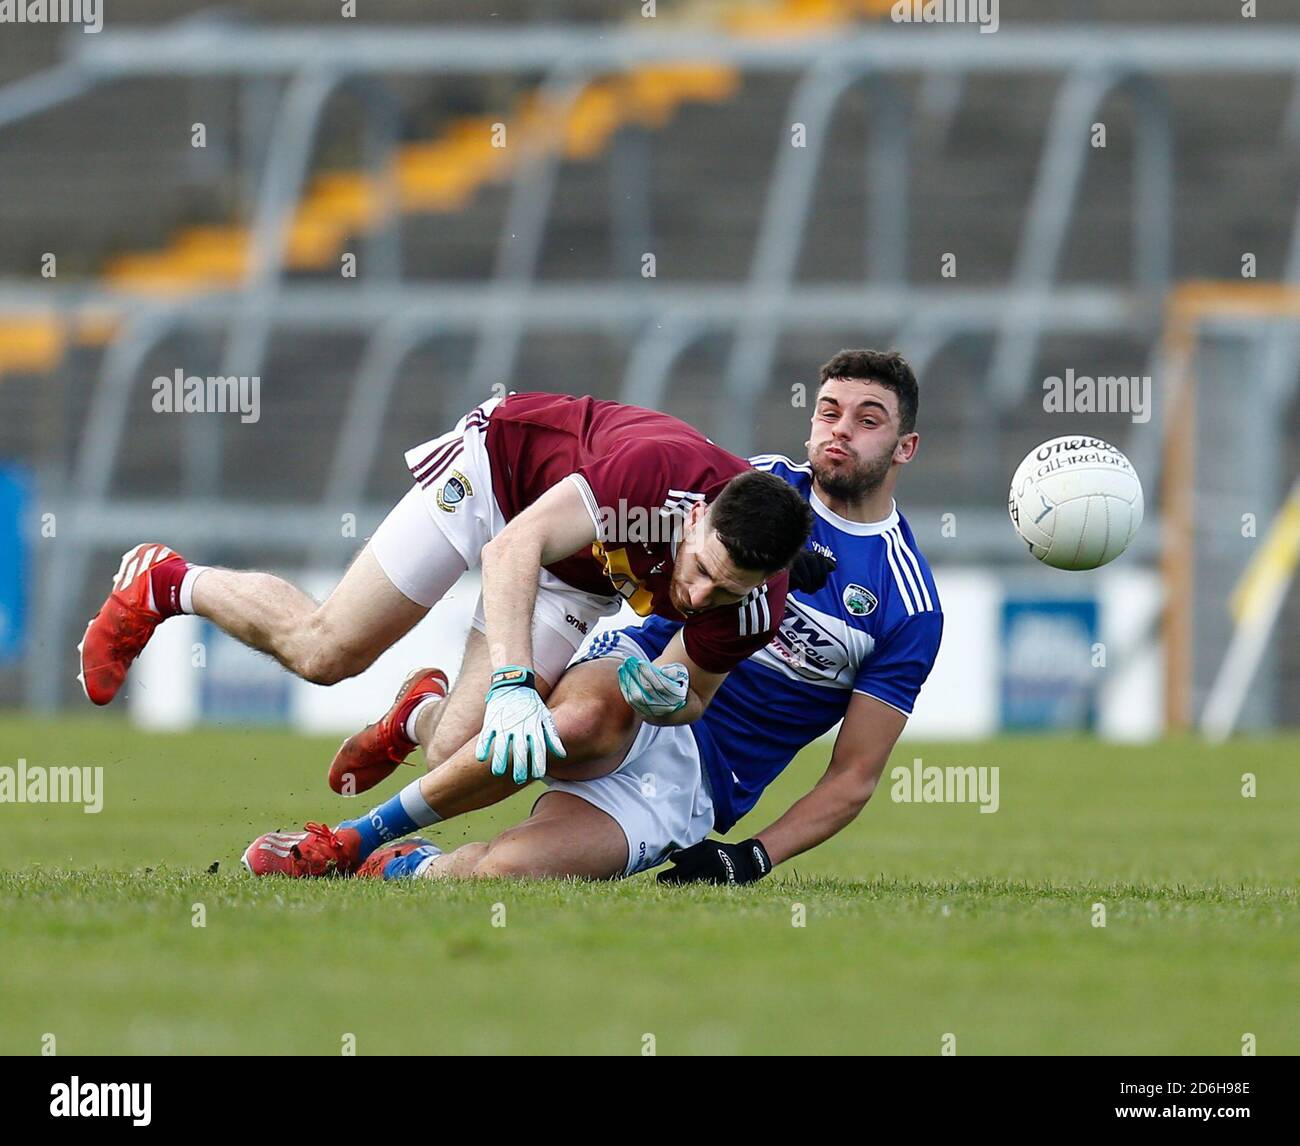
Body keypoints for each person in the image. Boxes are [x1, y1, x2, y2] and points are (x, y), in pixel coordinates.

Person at [245, 350, 942, 884]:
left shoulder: (908, 605)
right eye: (828, 412)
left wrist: (752, 858)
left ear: (905, 447)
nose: (839, 432)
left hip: (698, 781)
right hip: (625, 677)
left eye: (867, 420)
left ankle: (409, 857)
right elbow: (558, 527)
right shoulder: (741, 483)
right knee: (570, 724)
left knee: (504, 872)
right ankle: (350, 839)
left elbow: (853, 776)